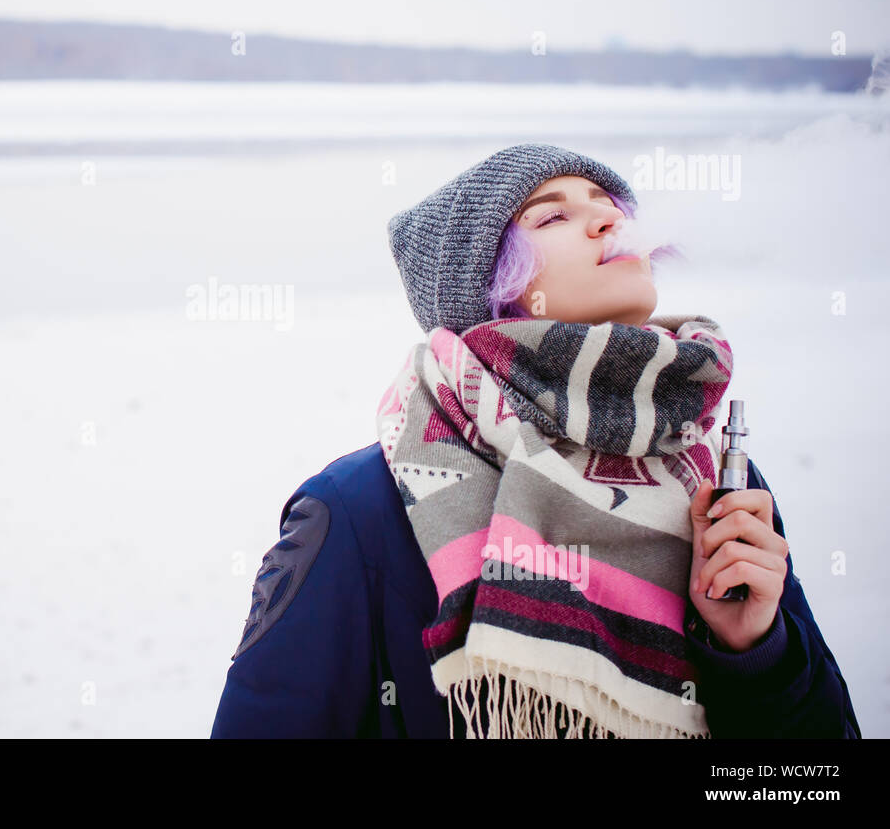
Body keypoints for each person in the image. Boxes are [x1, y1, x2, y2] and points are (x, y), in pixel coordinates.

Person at [210, 143, 860, 739]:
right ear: (489, 286)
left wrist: (757, 652)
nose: (609, 222)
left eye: (611, 207)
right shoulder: (358, 511)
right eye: (552, 218)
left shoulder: (716, 479)